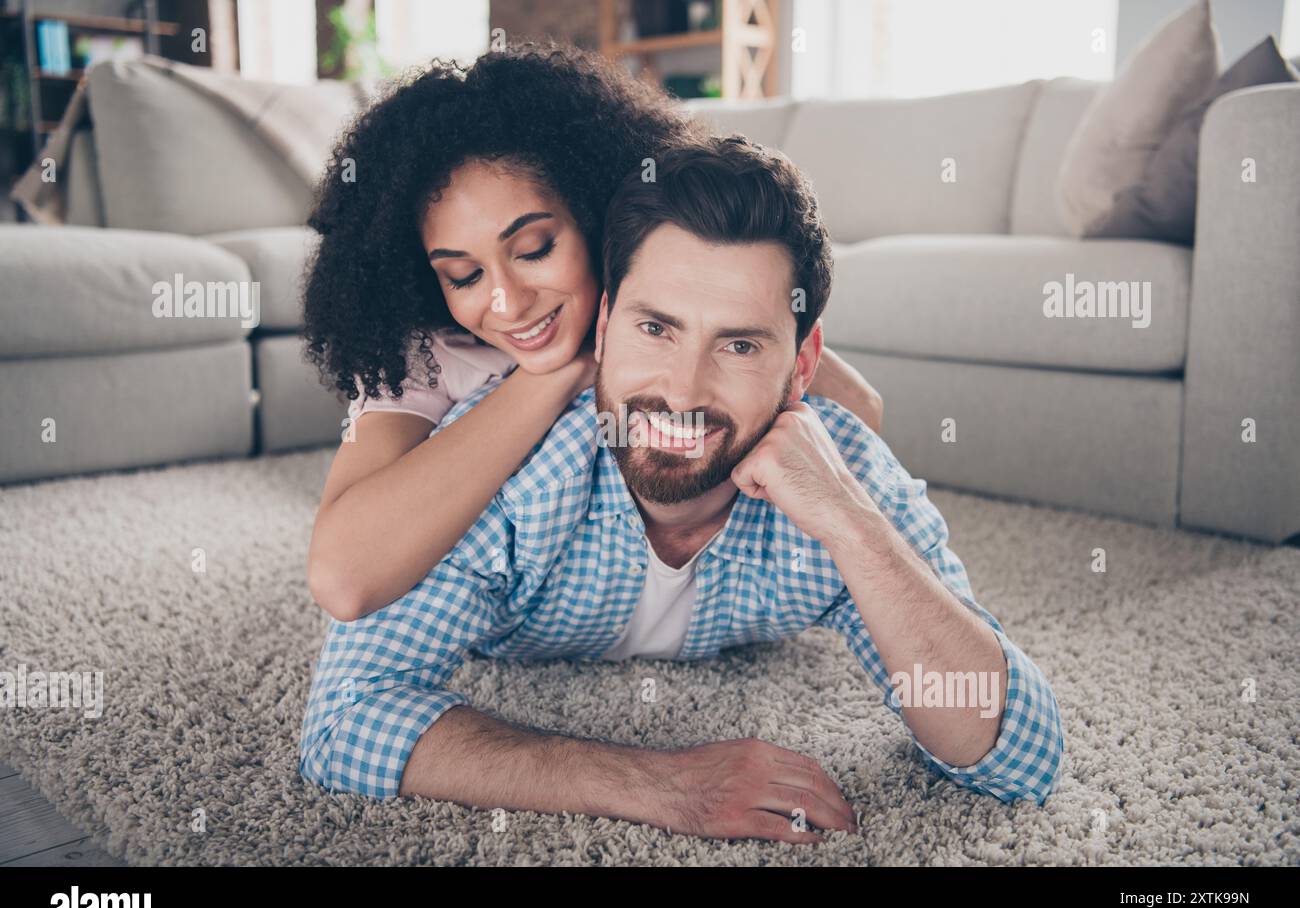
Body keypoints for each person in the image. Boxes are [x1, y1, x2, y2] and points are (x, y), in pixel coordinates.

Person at [299, 136, 1065, 844]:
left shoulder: (838, 472)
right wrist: (654, 782)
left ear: (801, 367)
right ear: (601, 329)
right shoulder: (502, 477)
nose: (682, 390)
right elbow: (344, 721)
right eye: (656, 329)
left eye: (738, 344)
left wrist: (856, 529)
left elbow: (1020, 758)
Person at [302, 44, 884, 623]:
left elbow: (862, 413)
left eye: (534, 250)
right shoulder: (430, 357)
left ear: (596, 213)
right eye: (465, 275)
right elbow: (343, 579)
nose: (508, 303)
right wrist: (561, 375)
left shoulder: (670, 302)